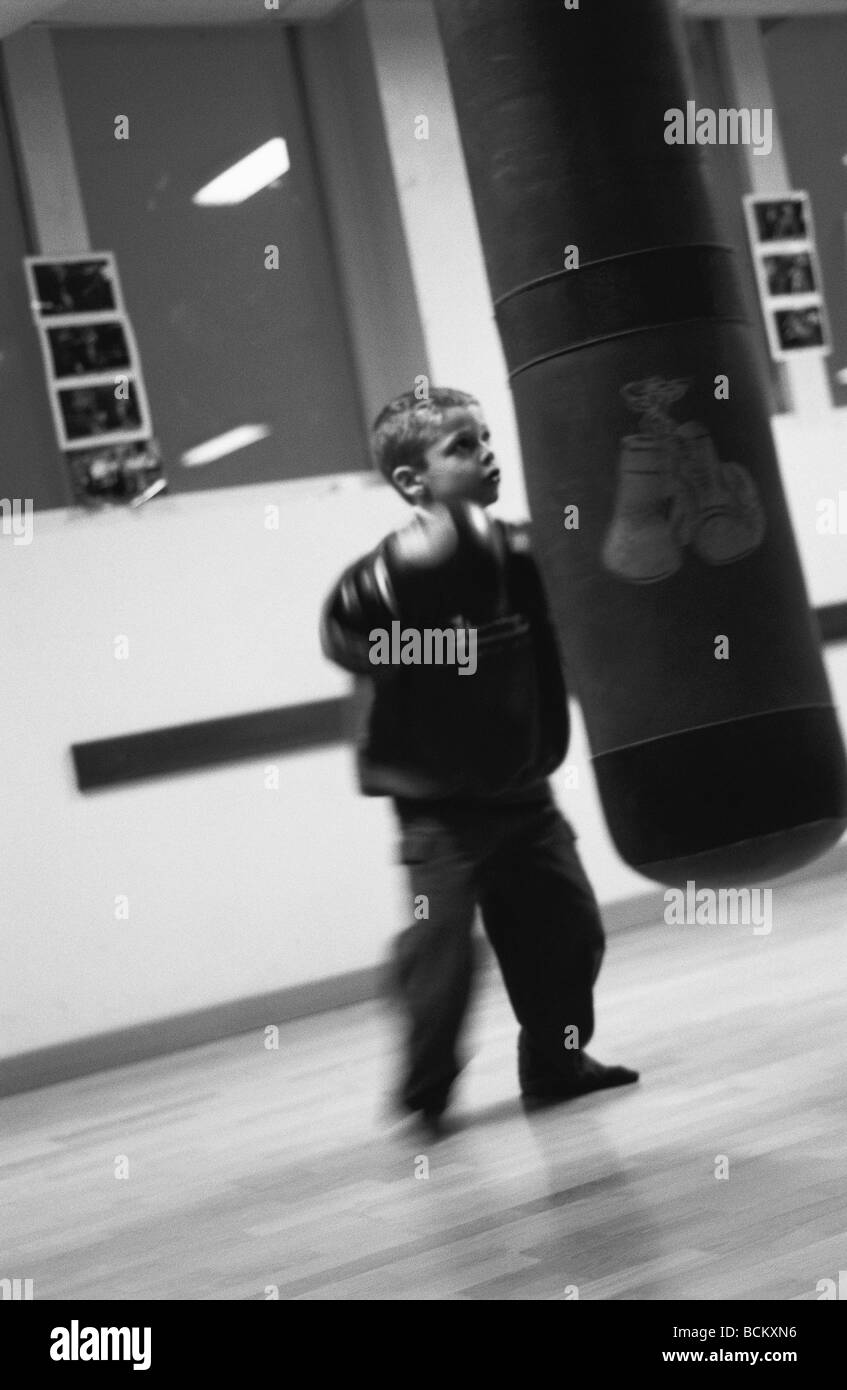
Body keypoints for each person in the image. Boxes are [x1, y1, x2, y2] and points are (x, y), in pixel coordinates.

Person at [320, 387, 638, 1136]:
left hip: (523, 793)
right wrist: (437, 643)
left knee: (569, 932)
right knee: (442, 956)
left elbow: (577, 627)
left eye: (487, 438)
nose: (486, 453)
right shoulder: (391, 573)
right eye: (461, 446)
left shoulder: (524, 555)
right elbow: (343, 638)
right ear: (410, 482)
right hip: (437, 809)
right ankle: (426, 1094)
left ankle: (556, 1065)